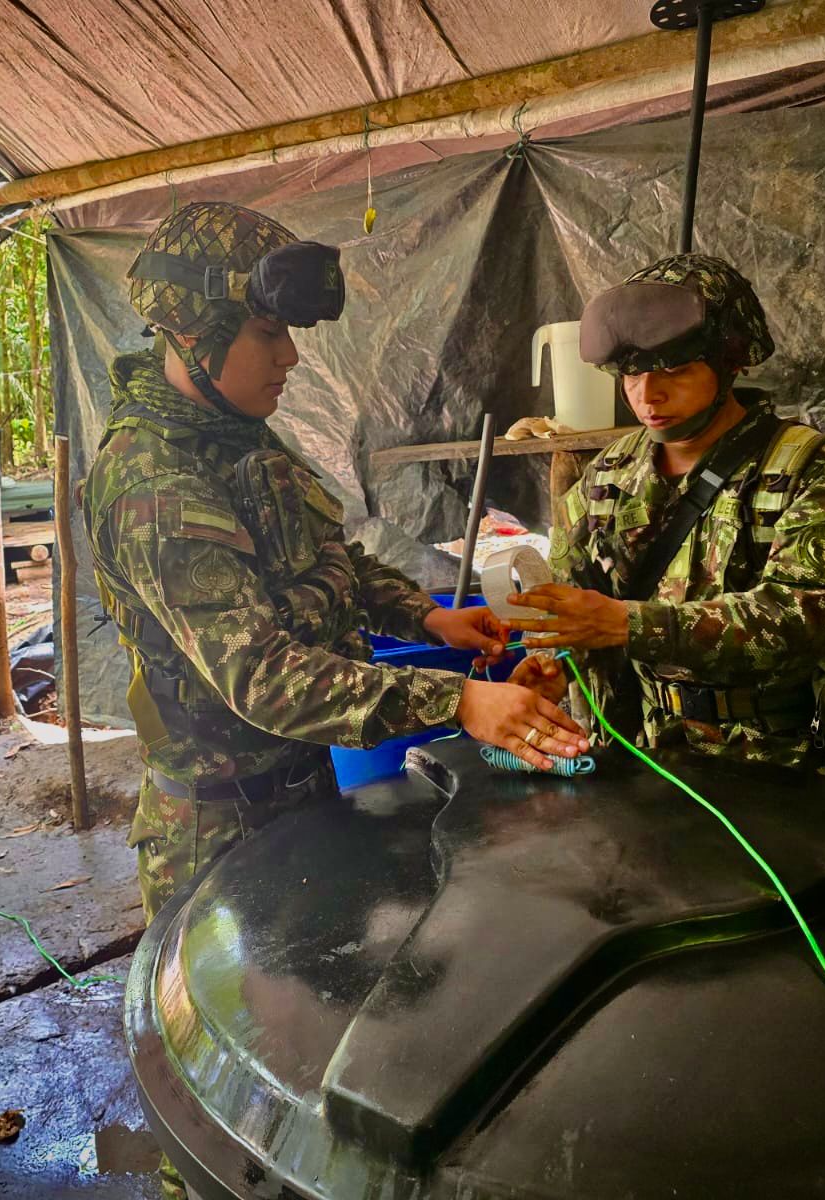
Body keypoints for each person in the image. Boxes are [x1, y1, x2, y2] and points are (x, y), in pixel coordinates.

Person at [83, 200, 591, 1188]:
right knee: (223, 1102)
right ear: (196, 333)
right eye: (269, 334)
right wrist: (457, 703)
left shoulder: (241, 441)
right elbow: (262, 676)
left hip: (298, 797)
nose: (291, 359)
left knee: (312, 1062)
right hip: (213, 831)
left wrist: (429, 617)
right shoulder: (153, 481)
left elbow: (331, 561)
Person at [505, 253, 825, 784]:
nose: (647, 396)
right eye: (631, 376)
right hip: (642, 755)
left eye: (675, 372)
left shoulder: (801, 466)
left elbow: (804, 617)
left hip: (778, 764)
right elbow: (572, 599)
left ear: (729, 362)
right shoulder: (608, 475)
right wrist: (558, 664)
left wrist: (626, 623)